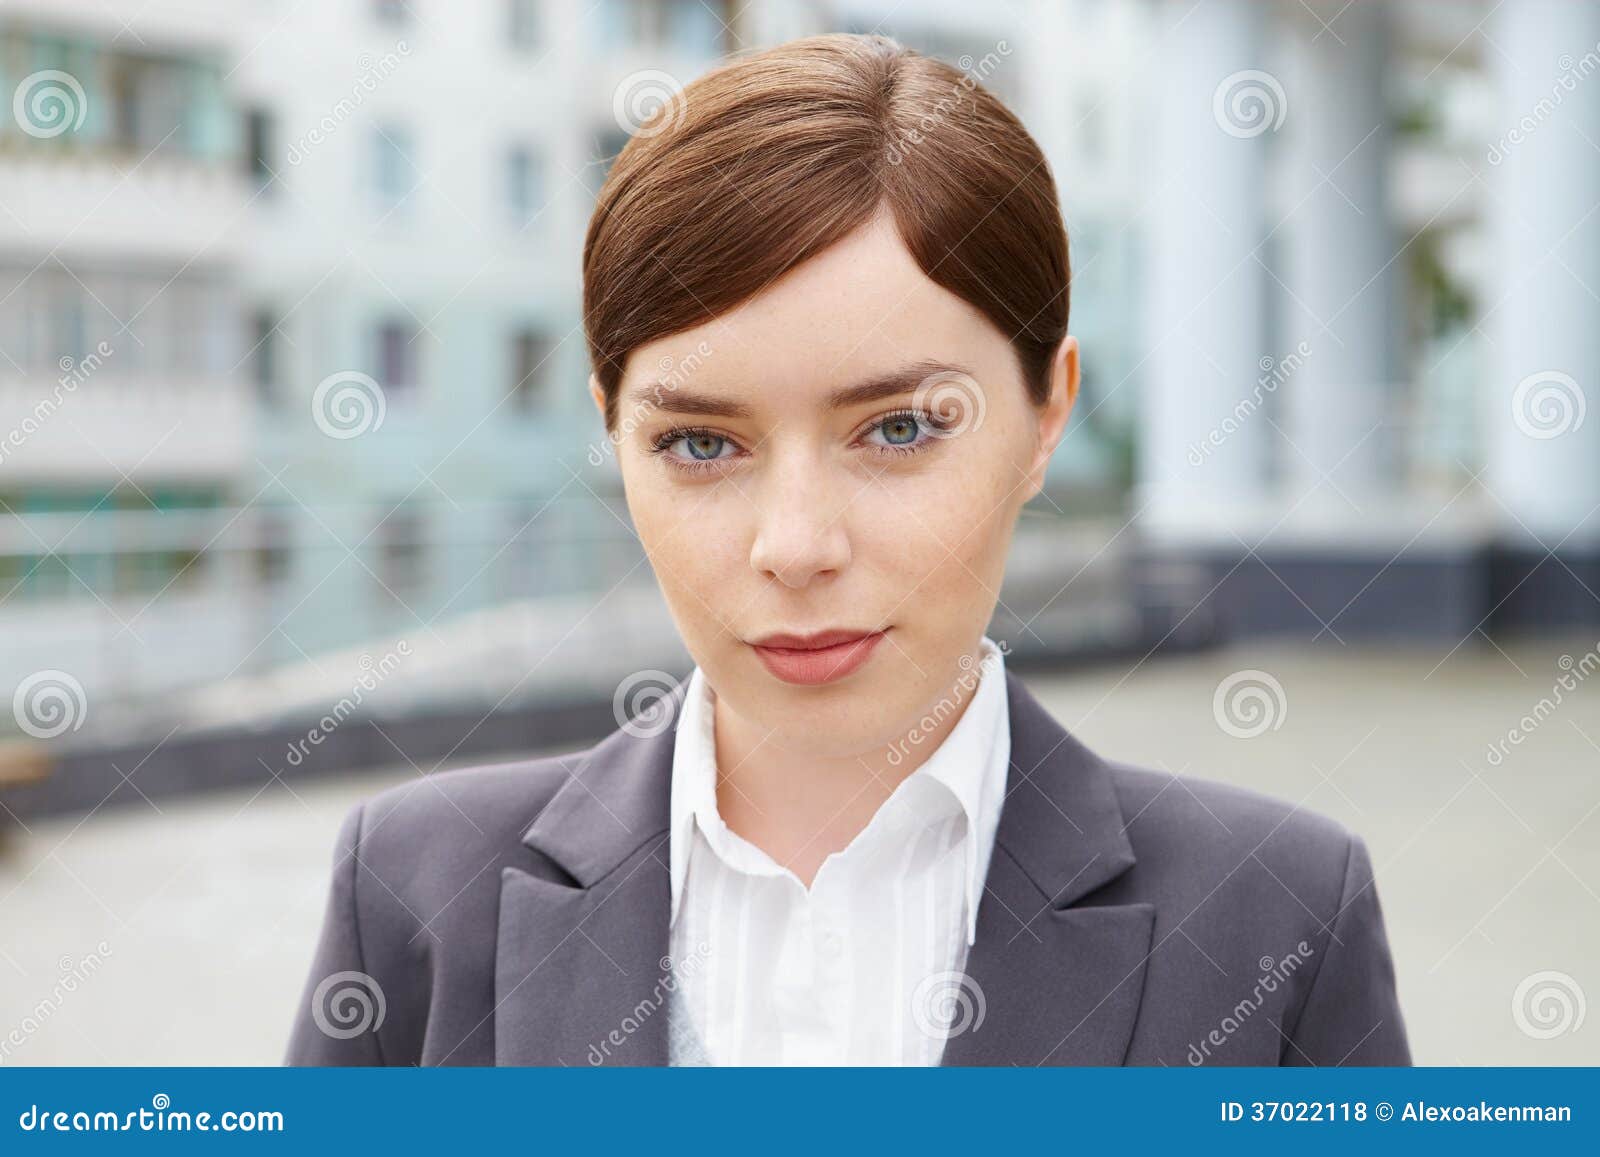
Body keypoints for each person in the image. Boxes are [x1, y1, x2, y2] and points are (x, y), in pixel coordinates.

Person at [285, 32, 1409, 1067]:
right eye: (698, 442)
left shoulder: (1280, 918)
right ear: (612, 434)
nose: (795, 544)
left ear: (1045, 414)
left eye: (900, 428)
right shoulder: (413, 896)